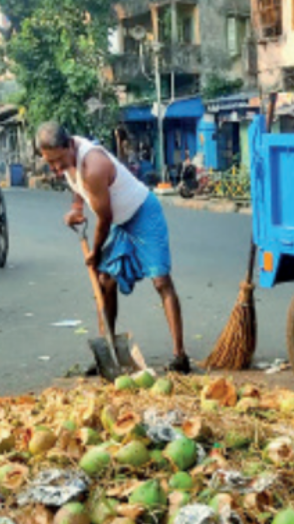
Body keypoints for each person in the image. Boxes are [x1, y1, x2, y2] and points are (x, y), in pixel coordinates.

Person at [36, 122, 192, 374]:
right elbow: (76, 183)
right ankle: (108, 350)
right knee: (105, 280)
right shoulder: (67, 155)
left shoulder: (93, 166)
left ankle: (180, 356)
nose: (54, 168)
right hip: (120, 220)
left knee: (161, 281)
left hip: (142, 212)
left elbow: (105, 218)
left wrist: (95, 253)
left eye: (57, 161)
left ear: (69, 145)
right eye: (49, 162)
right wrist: (76, 208)